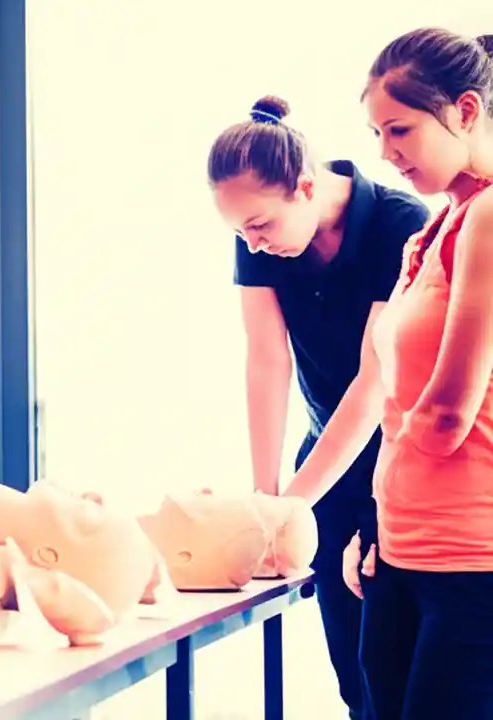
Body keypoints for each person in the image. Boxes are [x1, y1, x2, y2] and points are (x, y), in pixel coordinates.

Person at [207, 96, 429, 720]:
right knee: (354, 685)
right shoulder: (257, 237)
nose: (253, 245)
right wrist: (265, 498)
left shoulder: (398, 223)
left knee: (399, 681)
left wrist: (287, 507)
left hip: (402, 468)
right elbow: (266, 360)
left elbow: (375, 380)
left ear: (305, 187)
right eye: (240, 234)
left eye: (260, 226)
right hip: (324, 473)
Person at [356, 27, 493, 720]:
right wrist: (376, 522)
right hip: (405, 551)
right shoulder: (434, 229)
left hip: (473, 564)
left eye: (400, 129)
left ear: (465, 111)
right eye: (378, 134)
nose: (386, 152)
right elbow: (396, 400)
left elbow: (444, 417)